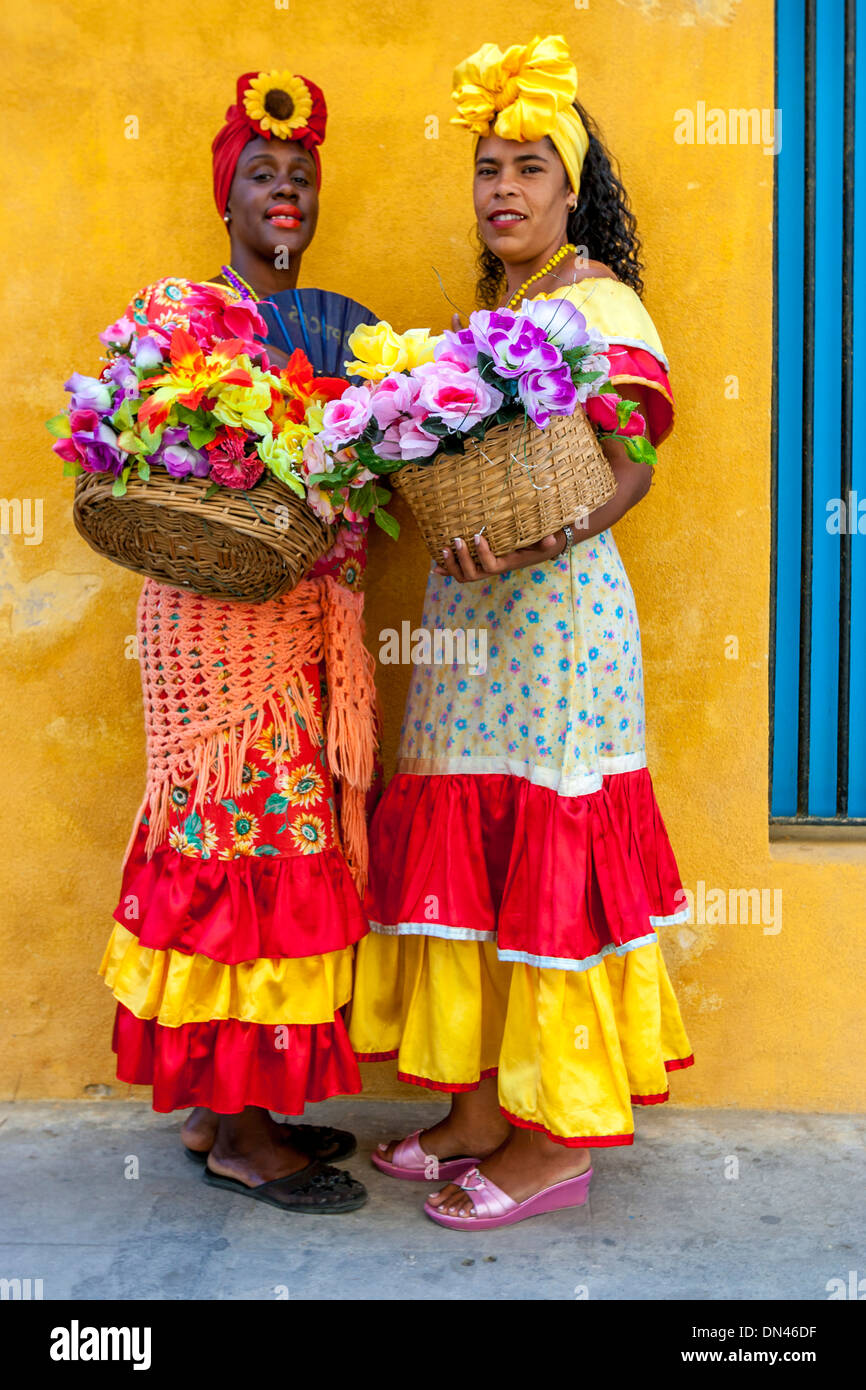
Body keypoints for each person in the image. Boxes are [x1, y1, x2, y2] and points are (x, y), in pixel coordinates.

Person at [348, 34, 693, 1229]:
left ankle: (558, 1141)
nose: (502, 187)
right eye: (487, 167)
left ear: (571, 188)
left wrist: (537, 541)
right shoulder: (499, 310)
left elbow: (630, 468)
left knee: (547, 861)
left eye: (529, 167)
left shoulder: (596, 303)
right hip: (468, 628)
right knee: (476, 858)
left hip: (553, 631)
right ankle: (485, 1107)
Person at [99, 68, 380, 1215]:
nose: (284, 192)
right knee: (245, 857)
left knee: (257, 855)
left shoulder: (340, 333)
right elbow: (141, 453)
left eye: (300, 178)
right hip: (218, 641)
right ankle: (242, 1136)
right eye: (262, 174)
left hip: (299, 629)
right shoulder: (182, 318)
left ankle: (229, 1104)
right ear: (227, 201)